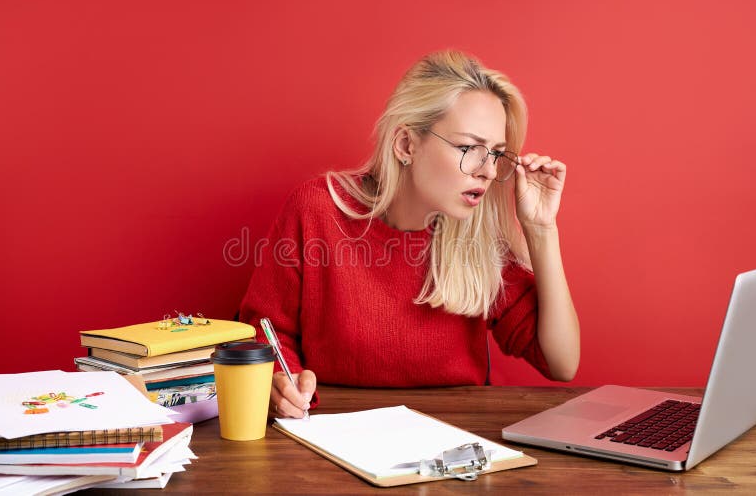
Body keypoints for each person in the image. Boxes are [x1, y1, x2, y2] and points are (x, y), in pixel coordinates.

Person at [239, 50, 580, 418]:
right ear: (406, 145)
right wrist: (279, 381)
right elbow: (265, 331)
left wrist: (542, 230)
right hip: (334, 437)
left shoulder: (479, 232)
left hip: (455, 446)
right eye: (469, 148)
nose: (488, 172)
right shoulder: (317, 210)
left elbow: (561, 363)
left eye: (496, 153)